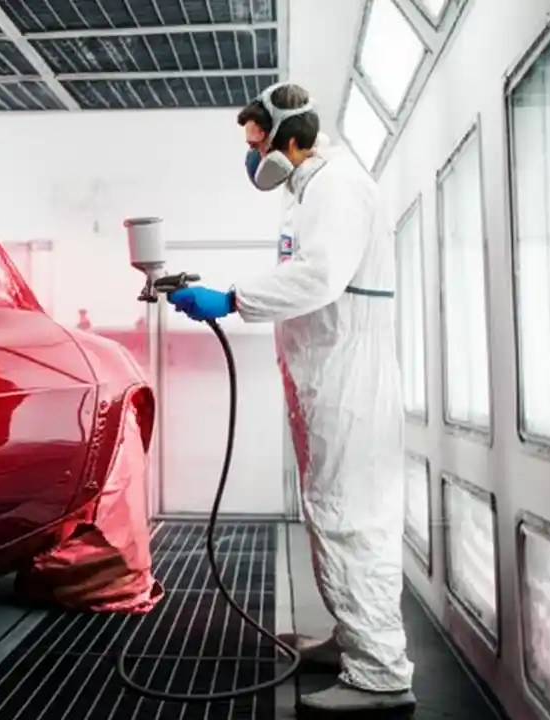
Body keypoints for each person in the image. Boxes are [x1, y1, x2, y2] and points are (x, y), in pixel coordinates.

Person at [167, 82, 416, 714]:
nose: (253, 158)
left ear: (293, 140)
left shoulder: (334, 188)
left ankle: (380, 674)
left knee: (349, 519)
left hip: (345, 382)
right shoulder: (310, 191)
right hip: (328, 378)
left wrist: (231, 300)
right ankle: (353, 640)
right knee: (335, 514)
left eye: (258, 144)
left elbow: (321, 277)